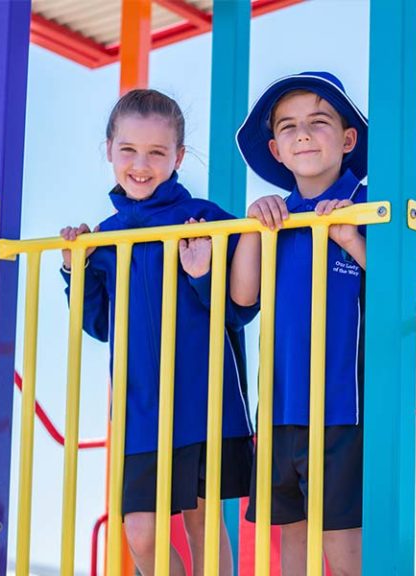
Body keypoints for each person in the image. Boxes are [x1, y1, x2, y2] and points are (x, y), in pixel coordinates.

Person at [233, 71, 416, 576]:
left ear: (346, 139)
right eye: (290, 126)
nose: (303, 134)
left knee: (344, 554)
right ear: (275, 149)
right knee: (292, 548)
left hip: (342, 411)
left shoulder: (371, 209)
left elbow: (404, 288)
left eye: (318, 122)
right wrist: (253, 227)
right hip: (278, 410)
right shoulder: (274, 218)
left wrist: (350, 240)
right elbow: (241, 296)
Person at [59, 89, 255, 576]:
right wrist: (74, 272)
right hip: (140, 408)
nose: (140, 164)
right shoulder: (104, 237)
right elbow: (101, 325)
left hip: (202, 399)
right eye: (128, 150)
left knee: (202, 521)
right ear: (109, 149)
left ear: (178, 157)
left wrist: (202, 274)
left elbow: (238, 311)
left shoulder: (208, 221)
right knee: (140, 535)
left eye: (156, 153)